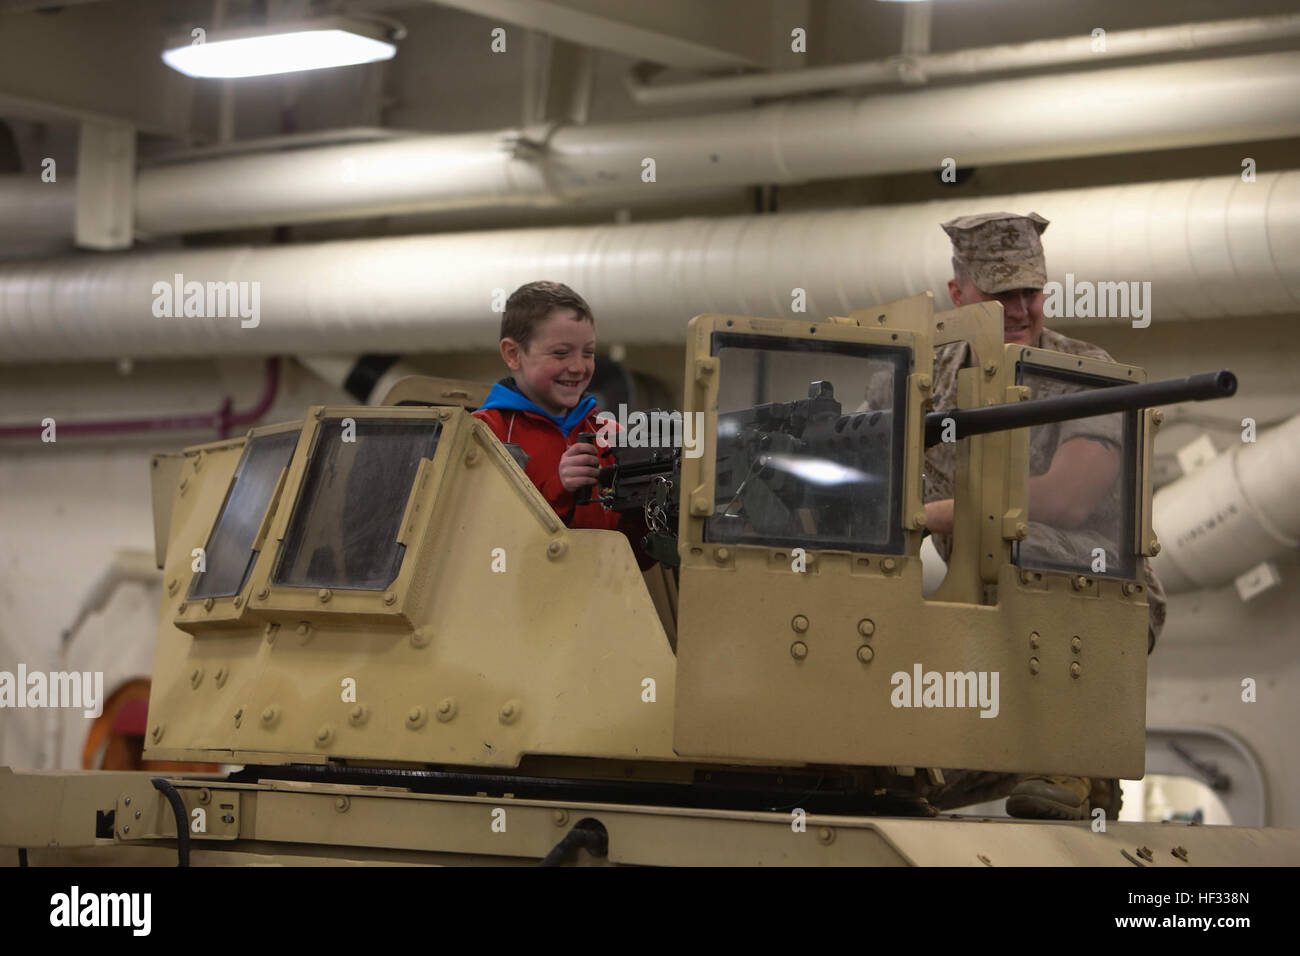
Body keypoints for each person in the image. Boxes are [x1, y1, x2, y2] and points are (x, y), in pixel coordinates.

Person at [920, 211, 1167, 821]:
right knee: (912, 781)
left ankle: (1074, 753)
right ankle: (1081, 765)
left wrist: (928, 514)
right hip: (983, 616)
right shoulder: (930, 379)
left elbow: (1068, 499)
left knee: (1019, 544)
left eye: (1031, 290)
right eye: (1001, 294)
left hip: (1097, 600)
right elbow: (874, 461)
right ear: (959, 294)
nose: (1021, 308)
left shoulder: (1086, 373)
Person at [472, 280, 652, 566]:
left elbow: (632, 558)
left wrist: (650, 509)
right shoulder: (482, 434)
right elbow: (482, 542)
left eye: (588, 352)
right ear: (513, 354)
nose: (579, 367)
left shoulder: (612, 436)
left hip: (603, 599)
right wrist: (559, 489)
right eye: (560, 353)